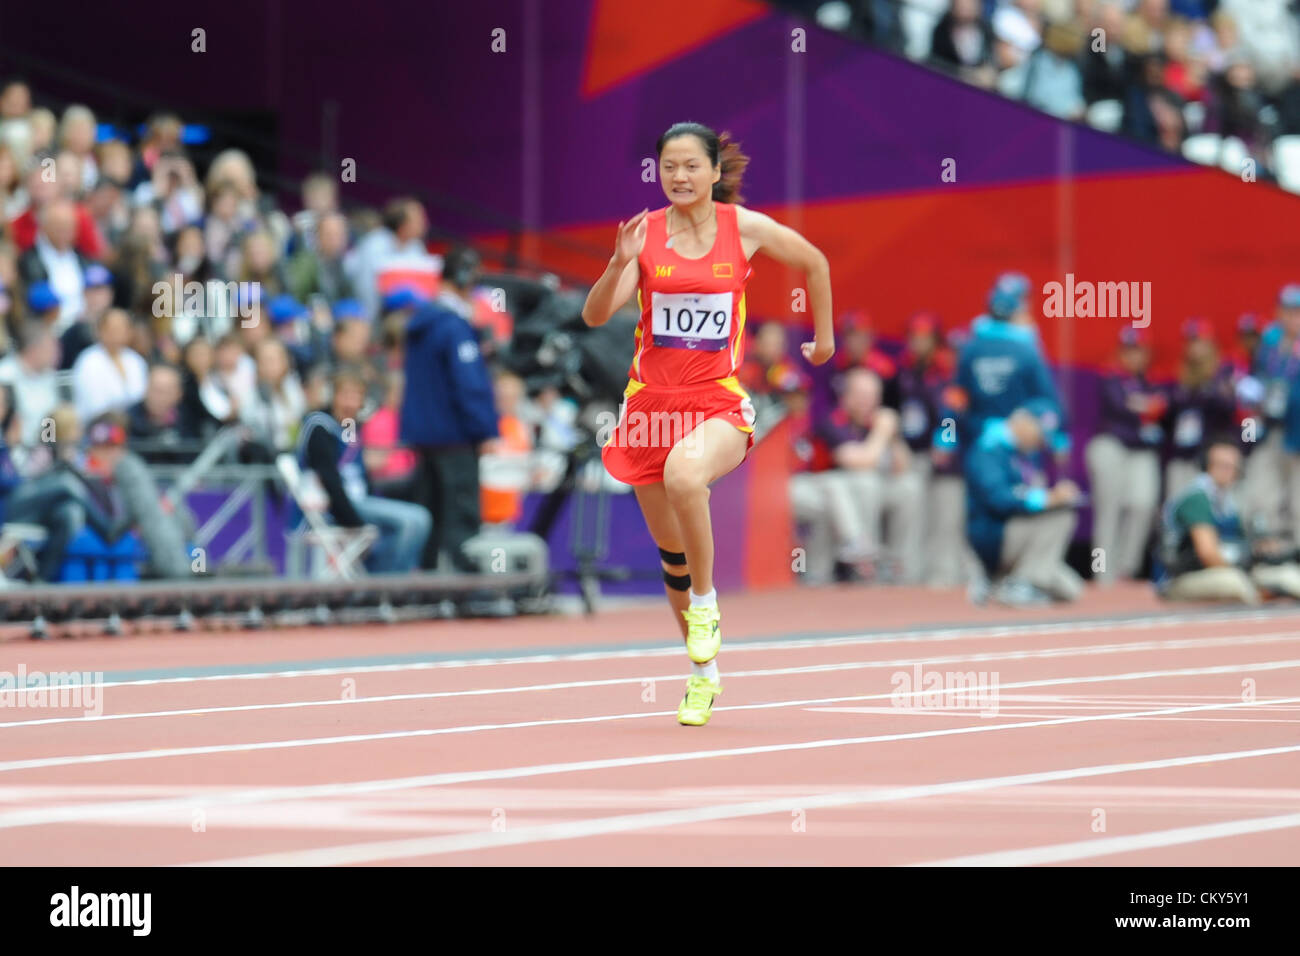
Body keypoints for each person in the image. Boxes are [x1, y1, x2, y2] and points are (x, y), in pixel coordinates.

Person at [582, 122, 834, 726]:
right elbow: (594, 316)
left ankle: (707, 601)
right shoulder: (643, 236)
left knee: (686, 475)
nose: (680, 176)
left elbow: (816, 263)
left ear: (715, 172)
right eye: (669, 166)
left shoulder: (743, 228)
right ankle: (703, 674)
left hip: (715, 399)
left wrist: (823, 339)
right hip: (648, 407)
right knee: (671, 555)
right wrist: (618, 265)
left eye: (692, 165)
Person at [399, 246, 498, 572]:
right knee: (460, 514)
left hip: (424, 437)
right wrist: (484, 429)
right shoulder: (453, 327)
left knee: (430, 511)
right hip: (455, 438)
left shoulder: (420, 324)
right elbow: (469, 386)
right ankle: (467, 589)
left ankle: (427, 585)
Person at [299, 366, 431, 574]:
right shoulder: (320, 426)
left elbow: (360, 473)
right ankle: (383, 584)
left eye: (357, 395)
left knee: (420, 518)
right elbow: (329, 478)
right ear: (333, 396)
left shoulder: (351, 427)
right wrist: (354, 521)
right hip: (335, 507)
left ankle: (390, 578)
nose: (351, 402)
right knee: (410, 522)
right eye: (346, 395)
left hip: (360, 501)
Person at [965, 401, 1084, 606]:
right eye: (1039, 434)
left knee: (1070, 589)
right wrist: (1049, 498)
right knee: (1062, 516)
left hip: (1021, 537)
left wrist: (1051, 497)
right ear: (1024, 423)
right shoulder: (989, 446)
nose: (1040, 442)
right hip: (994, 535)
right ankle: (1021, 584)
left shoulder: (1026, 453)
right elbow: (999, 500)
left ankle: (1000, 583)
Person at [813, 367, 924, 584]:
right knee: (867, 482)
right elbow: (861, 463)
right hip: (828, 486)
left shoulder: (874, 421)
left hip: (865, 488)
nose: (868, 402)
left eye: (873, 397)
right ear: (846, 396)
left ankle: (900, 564)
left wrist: (893, 436)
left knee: (910, 486)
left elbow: (902, 467)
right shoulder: (833, 420)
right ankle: (866, 563)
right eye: (862, 396)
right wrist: (882, 433)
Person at [1158, 437, 1300, 603]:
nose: (1229, 471)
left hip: (1232, 568)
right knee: (1236, 584)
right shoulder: (1196, 498)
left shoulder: (1230, 499)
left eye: (1233, 466)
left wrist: (1267, 551)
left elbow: (1244, 541)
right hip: (1188, 575)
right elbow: (1208, 553)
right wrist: (1248, 575)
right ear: (1206, 466)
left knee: (1288, 575)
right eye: (1222, 465)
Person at [1085, 327, 1166, 585]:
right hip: (1111, 446)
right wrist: (1148, 407)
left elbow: (1162, 409)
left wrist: (1148, 407)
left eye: (1139, 351)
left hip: (1139, 451)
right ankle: (1102, 573)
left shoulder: (1150, 381)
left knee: (1143, 505)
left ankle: (1126, 570)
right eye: (1129, 350)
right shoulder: (1110, 376)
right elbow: (1121, 407)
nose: (1134, 356)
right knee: (1108, 511)